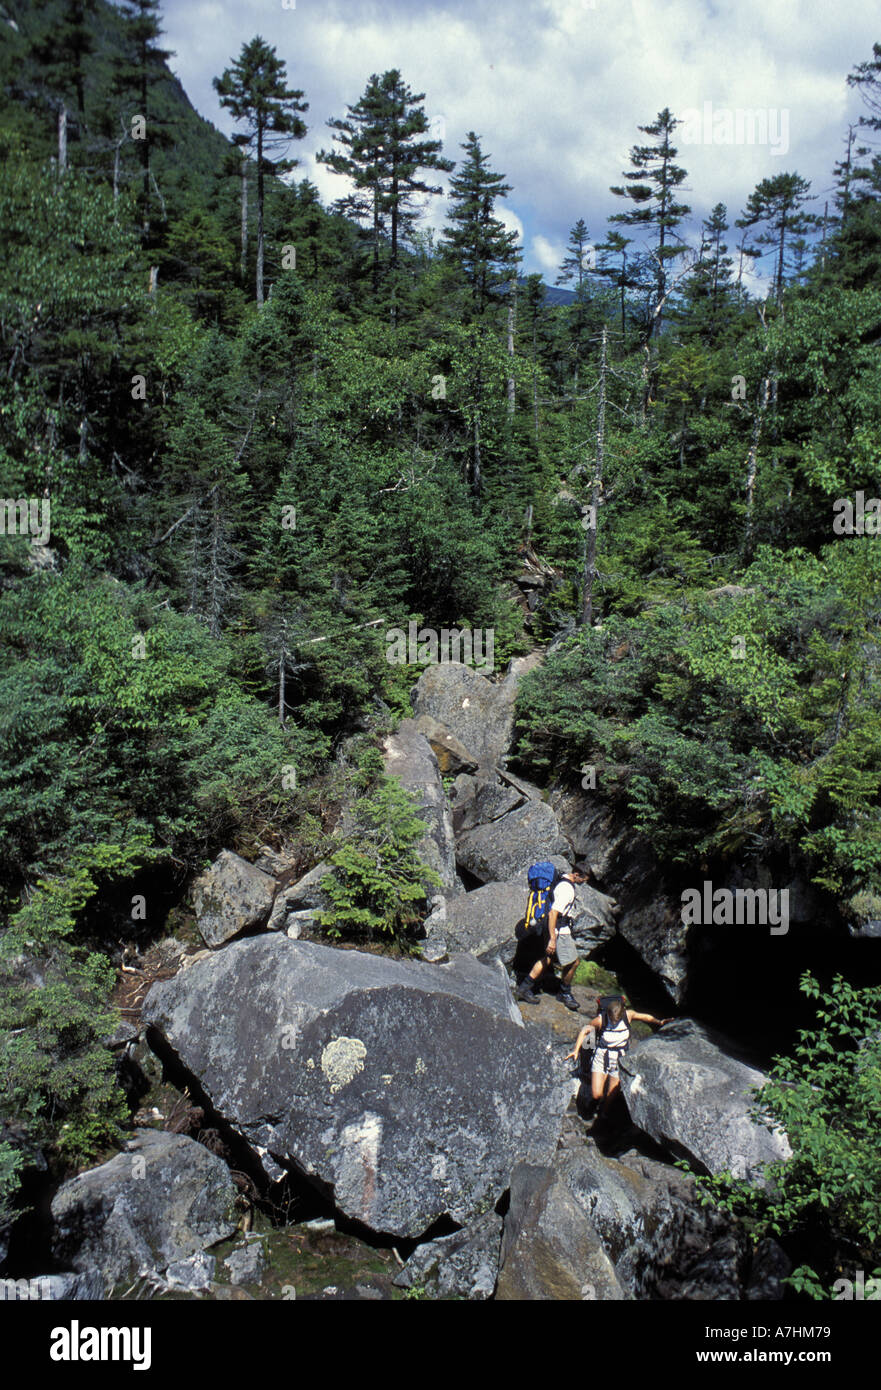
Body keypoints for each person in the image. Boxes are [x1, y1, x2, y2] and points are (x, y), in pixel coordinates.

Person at [565, 997, 673, 1119]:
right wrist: (576, 1050)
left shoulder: (629, 1015)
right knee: (596, 1094)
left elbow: (645, 1017)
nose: (614, 1022)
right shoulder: (601, 1020)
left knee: (611, 1094)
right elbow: (585, 1030)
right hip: (602, 1057)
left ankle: (603, 1114)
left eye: (617, 1020)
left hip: (619, 1059)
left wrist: (660, 1022)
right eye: (612, 1019)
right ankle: (594, 1104)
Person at [516, 866, 589, 1010]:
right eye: (584, 879)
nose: (584, 882)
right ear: (576, 874)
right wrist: (553, 938)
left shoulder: (562, 881)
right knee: (573, 962)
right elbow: (553, 913)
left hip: (555, 929)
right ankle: (564, 993)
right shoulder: (566, 889)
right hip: (558, 931)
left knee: (547, 958)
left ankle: (524, 988)